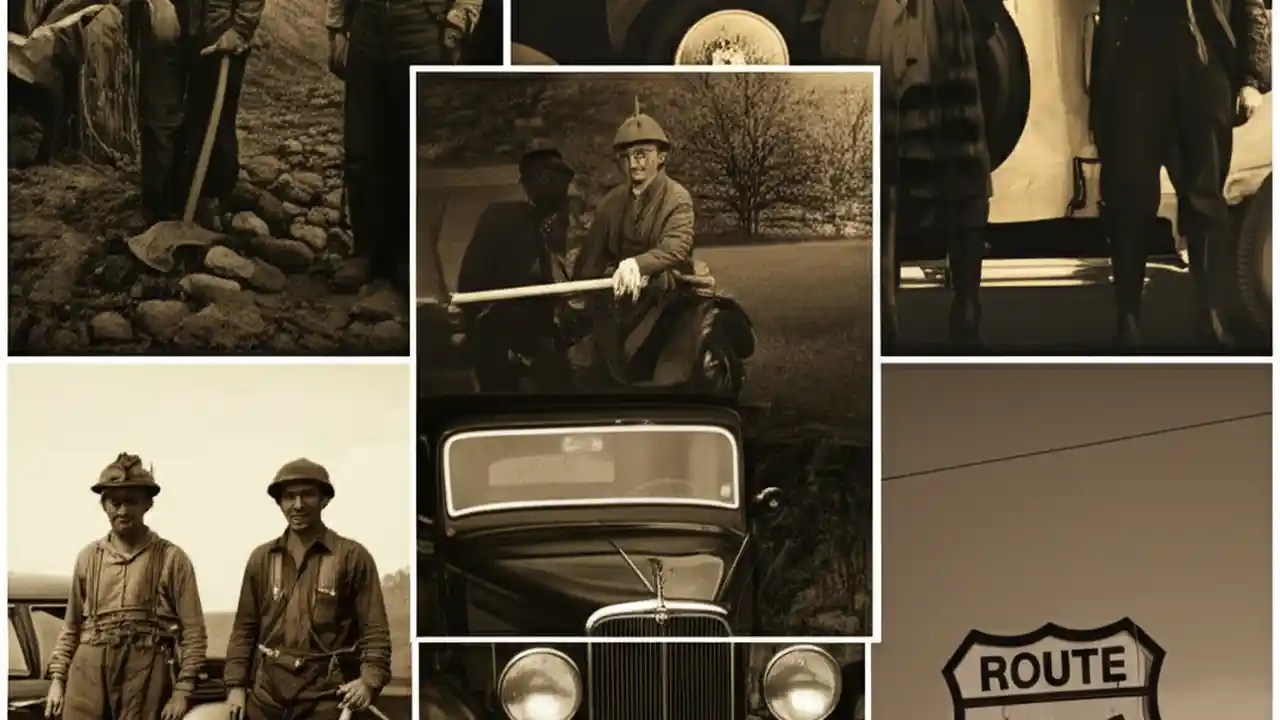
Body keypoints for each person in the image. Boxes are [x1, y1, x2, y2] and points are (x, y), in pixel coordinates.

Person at [1092, 0, 1270, 348]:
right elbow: (1111, 15)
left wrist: (1252, 77)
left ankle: (1209, 317)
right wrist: (1100, 98)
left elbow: (1250, 7)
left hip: (1203, 66)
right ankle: (1127, 320)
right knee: (1128, 200)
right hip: (1136, 70)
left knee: (1206, 200)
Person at [326, 0, 484, 295]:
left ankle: (406, 254)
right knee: (361, 147)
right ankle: (365, 251)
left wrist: (458, 20)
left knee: (409, 147)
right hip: (367, 27)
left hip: (422, 28)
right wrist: (336, 27)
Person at [44, 453, 209, 720]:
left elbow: (194, 633)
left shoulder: (172, 558)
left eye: (131, 501)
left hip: (145, 672)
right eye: (114, 502)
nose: (122, 511)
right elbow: (71, 626)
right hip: (88, 673)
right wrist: (58, 680)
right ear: (104, 505)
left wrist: (182, 690)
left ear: (148, 504)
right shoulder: (88, 558)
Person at [224, 458, 392, 720]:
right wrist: (235, 686)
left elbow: (374, 630)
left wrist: (369, 682)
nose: (298, 505)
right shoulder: (262, 558)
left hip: (327, 697)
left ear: (324, 500)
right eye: (289, 497)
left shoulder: (352, 556)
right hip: (267, 696)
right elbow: (244, 628)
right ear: (279, 503)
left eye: (308, 495)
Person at [869, 0, 993, 349]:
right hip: (947, 22)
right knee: (961, 162)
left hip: (900, 21)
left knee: (888, 179)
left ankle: (885, 314)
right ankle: (967, 306)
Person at [573, 107, 699, 388]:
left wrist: (637, 265)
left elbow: (676, 247)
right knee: (593, 342)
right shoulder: (611, 202)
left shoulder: (677, 199)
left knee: (642, 349)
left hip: (667, 289)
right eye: (626, 157)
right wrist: (578, 293)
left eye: (641, 154)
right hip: (619, 289)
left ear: (661, 156)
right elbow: (592, 255)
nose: (634, 164)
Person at [456, 140, 581, 391]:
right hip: (503, 330)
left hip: (547, 331)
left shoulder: (571, 223)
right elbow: (472, 283)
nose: (564, 191)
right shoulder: (505, 220)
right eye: (554, 180)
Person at [128, 0, 260, 224]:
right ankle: (159, 208)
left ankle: (210, 200)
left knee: (213, 121)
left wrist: (240, 29)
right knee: (160, 118)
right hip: (164, 23)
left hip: (217, 24)